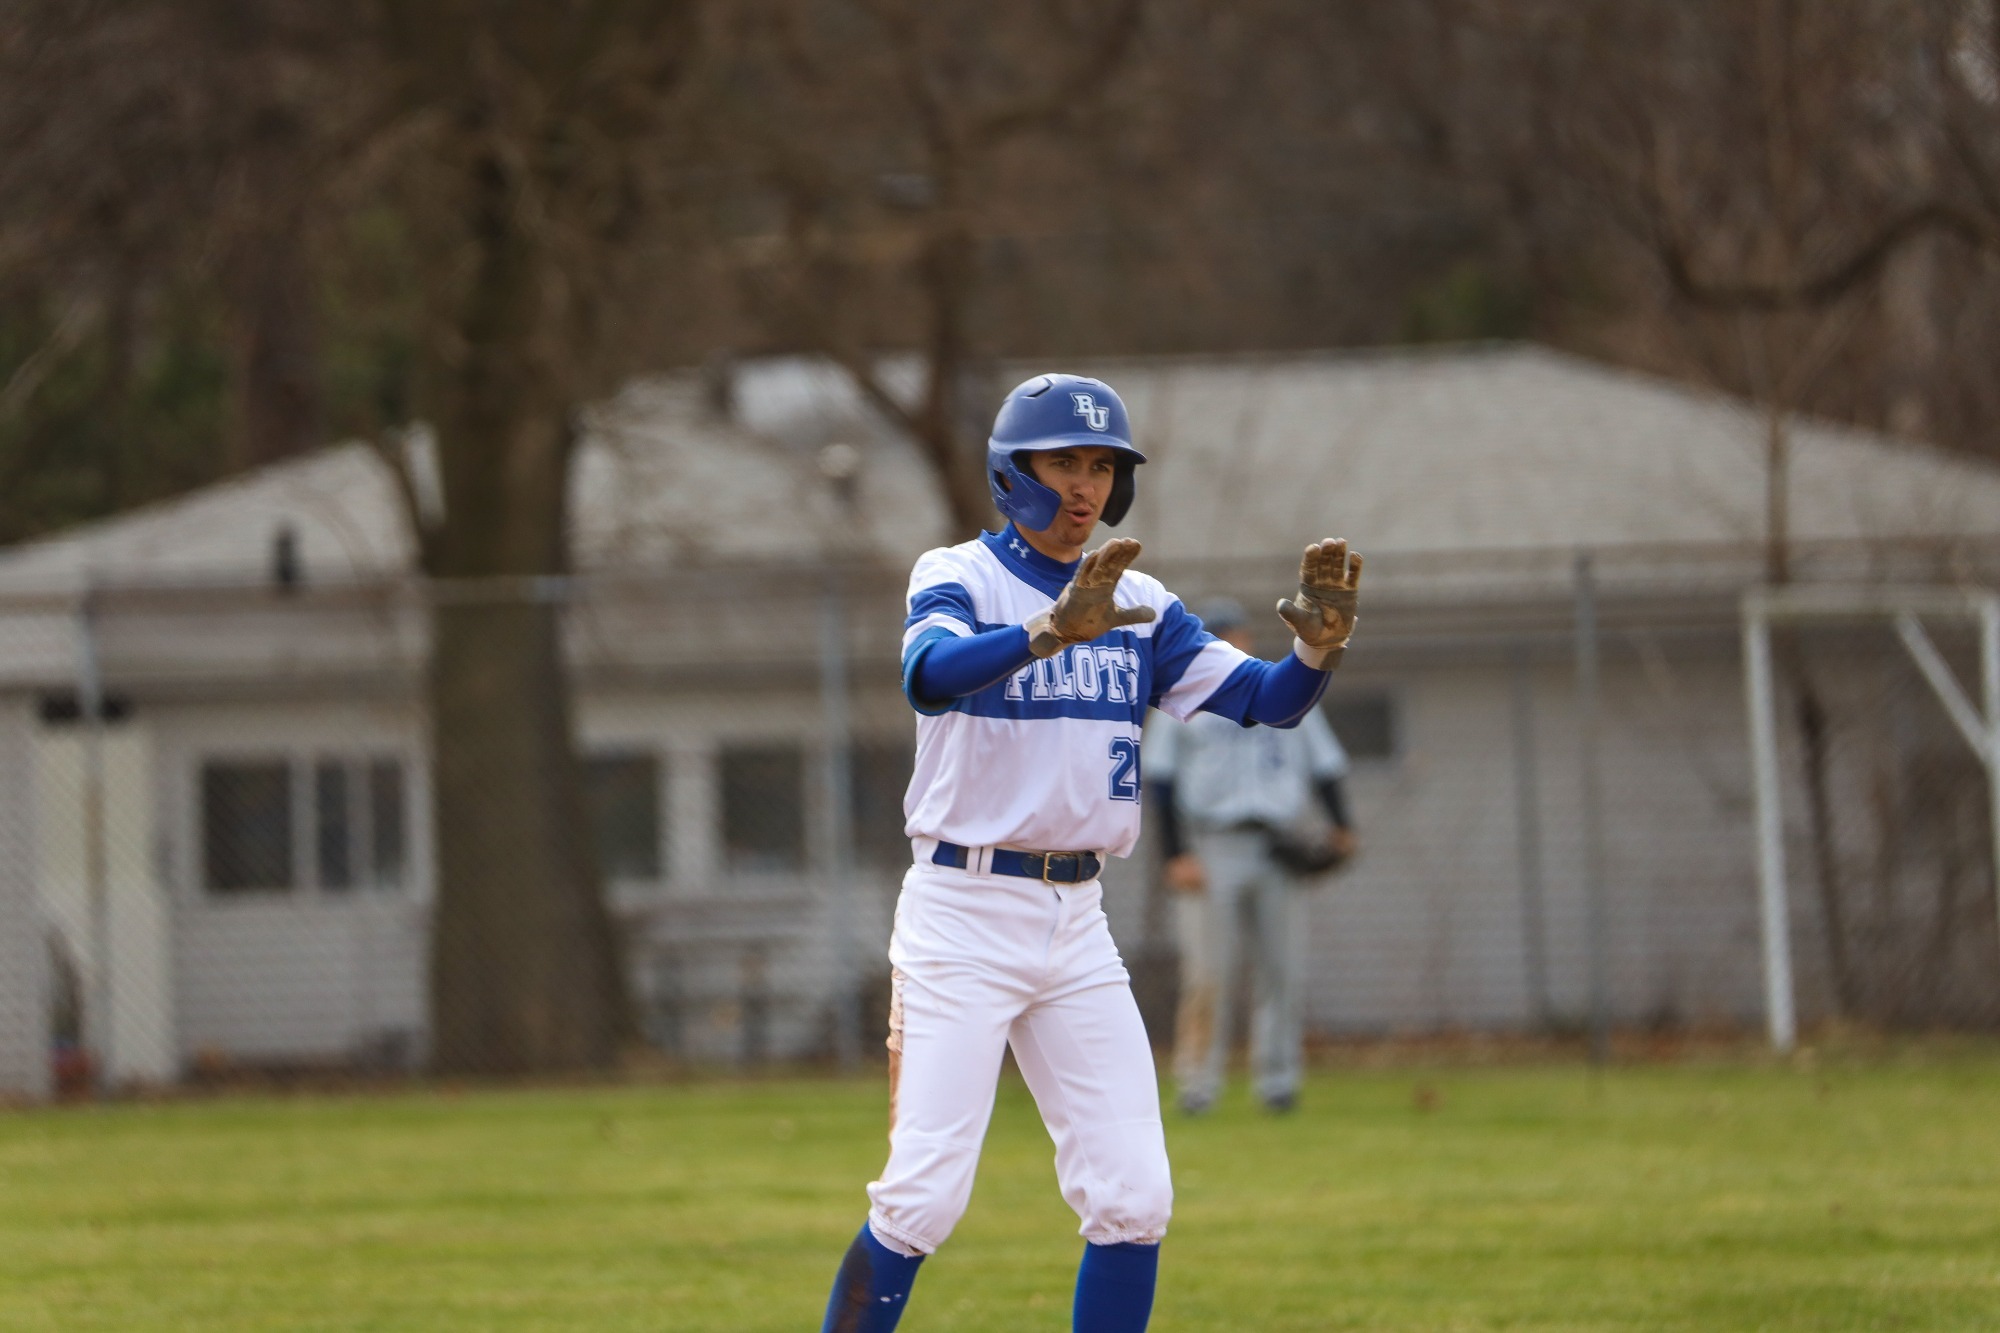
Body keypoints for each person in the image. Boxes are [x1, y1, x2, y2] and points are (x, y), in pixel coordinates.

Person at [816, 372, 1362, 1333]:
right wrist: (1042, 632)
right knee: (920, 1201)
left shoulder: (1142, 600)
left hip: (1077, 921)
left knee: (1134, 1198)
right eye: (1064, 461)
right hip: (962, 913)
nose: (1085, 485)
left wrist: (1315, 653)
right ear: (1011, 473)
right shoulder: (958, 573)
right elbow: (927, 676)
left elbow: (1262, 702)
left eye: (1103, 465)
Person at [1142, 598, 1358, 1118]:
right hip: (1212, 845)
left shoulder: (1282, 690)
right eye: (1226, 636)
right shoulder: (1185, 697)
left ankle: (1279, 1083)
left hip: (1277, 844)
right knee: (1207, 974)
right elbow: (1162, 781)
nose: (1238, 644)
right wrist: (1176, 854)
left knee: (1283, 969)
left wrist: (1342, 823)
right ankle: (1198, 1086)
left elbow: (1325, 764)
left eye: (1241, 634)